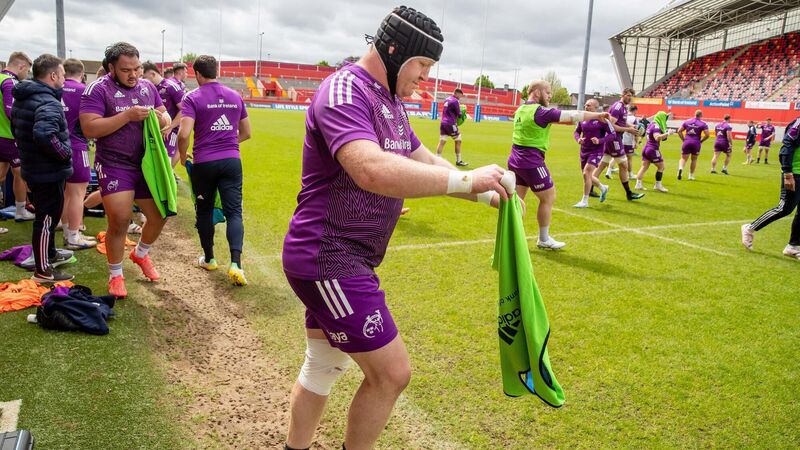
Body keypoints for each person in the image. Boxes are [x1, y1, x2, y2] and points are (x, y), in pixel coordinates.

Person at [281, 7, 510, 449]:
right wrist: (466, 179)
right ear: (394, 51)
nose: (425, 76)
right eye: (422, 65)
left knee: (323, 366)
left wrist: (486, 192)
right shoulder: (345, 90)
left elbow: (425, 162)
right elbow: (369, 169)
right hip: (329, 255)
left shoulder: (390, 102)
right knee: (392, 375)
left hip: (347, 256)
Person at [80, 42, 171, 298]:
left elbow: (165, 117)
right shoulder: (97, 90)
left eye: (137, 68)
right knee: (119, 220)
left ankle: (140, 254)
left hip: (147, 164)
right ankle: (116, 274)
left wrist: (160, 118)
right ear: (111, 68)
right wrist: (127, 116)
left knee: (161, 213)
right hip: (115, 164)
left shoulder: (148, 87)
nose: (134, 75)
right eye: (126, 70)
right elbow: (90, 129)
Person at [177, 55, 251, 286]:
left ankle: (209, 258)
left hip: (204, 163)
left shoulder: (192, 97)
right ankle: (236, 264)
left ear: (198, 74)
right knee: (234, 212)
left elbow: (183, 133)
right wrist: (227, 145)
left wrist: (181, 155)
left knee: (205, 211)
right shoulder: (235, 95)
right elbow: (247, 133)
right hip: (231, 161)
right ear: (216, 71)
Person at [509, 80, 609, 248]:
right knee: (548, 197)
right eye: (548, 92)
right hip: (532, 162)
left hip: (515, 160)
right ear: (538, 92)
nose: (550, 96)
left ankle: (511, 238)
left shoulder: (521, 109)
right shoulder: (540, 112)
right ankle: (543, 239)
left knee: (517, 201)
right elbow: (573, 116)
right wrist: (597, 115)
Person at [11, 54, 75, 282]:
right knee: (46, 219)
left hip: (36, 167)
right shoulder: (47, 101)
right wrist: (65, 154)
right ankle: (42, 270)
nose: (65, 80)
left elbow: (17, 126)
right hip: (46, 170)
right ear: (53, 75)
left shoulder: (25, 97)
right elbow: (44, 134)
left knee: (49, 216)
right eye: (63, 75)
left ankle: (49, 254)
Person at [741, 116, 800, 260]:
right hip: (795, 172)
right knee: (785, 207)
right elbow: (787, 145)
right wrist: (787, 173)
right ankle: (750, 228)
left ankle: (793, 246)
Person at [60, 58, 96, 249]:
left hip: (55, 144)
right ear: (82, 74)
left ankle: (68, 232)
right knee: (77, 193)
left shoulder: (55, 86)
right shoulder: (84, 90)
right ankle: (74, 236)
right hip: (76, 144)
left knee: (67, 192)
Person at [0, 51, 35, 221]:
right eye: (27, 70)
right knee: (21, 174)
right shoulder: (10, 82)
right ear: (20, 66)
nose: (27, 75)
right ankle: (20, 210)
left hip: (2, 135)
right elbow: (11, 112)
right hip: (8, 137)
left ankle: (20, 209)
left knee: (1, 175)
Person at [593, 88, 644, 201]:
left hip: (614, 138)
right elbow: (611, 125)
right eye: (628, 95)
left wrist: (630, 126)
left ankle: (591, 187)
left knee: (602, 164)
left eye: (631, 96)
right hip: (614, 138)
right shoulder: (618, 107)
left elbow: (621, 121)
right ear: (623, 95)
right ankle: (629, 193)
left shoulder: (623, 108)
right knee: (624, 166)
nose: (630, 98)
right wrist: (628, 130)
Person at [142, 61, 185, 167]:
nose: (142, 80)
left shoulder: (171, 87)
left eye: (144, 77)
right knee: (152, 165)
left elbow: (184, 109)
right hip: (154, 131)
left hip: (169, 132)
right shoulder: (149, 88)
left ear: (152, 74)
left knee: (166, 164)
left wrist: (170, 127)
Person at [572, 98, 611, 208]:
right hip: (584, 150)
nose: (586, 107)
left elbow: (612, 135)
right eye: (585, 105)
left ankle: (585, 201)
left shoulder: (602, 120)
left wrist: (600, 140)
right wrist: (578, 139)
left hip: (596, 151)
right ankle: (603, 187)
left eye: (589, 105)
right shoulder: (582, 118)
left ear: (595, 107)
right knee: (586, 175)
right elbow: (576, 131)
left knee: (586, 173)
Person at [634, 111, 671, 193]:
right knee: (661, 167)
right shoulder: (656, 126)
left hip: (646, 148)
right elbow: (657, 137)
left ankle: (638, 184)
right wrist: (668, 133)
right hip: (653, 149)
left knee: (644, 167)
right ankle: (658, 185)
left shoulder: (651, 124)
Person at [435, 88, 467, 166]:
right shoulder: (455, 101)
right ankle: (458, 161)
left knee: (442, 141)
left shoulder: (447, 99)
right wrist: (463, 112)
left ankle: (437, 160)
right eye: (460, 95)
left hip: (443, 123)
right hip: (451, 123)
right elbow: (459, 114)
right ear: (456, 93)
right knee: (458, 140)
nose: (460, 97)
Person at [677, 109, 709, 180]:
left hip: (687, 141)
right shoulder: (703, 124)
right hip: (696, 142)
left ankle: (680, 169)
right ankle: (690, 175)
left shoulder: (687, 121)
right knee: (694, 160)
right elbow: (707, 135)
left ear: (695, 114)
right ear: (701, 115)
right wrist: (701, 141)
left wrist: (683, 140)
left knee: (683, 158)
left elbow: (679, 131)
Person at [622, 104, 639, 180]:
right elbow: (636, 131)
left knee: (619, 156)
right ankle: (630, 174)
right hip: (628, 141)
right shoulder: (634, 118)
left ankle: (609, 171)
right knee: (629, 158)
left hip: (620, 139)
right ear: (635, 110)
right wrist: (636, 142)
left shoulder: (624, 116)